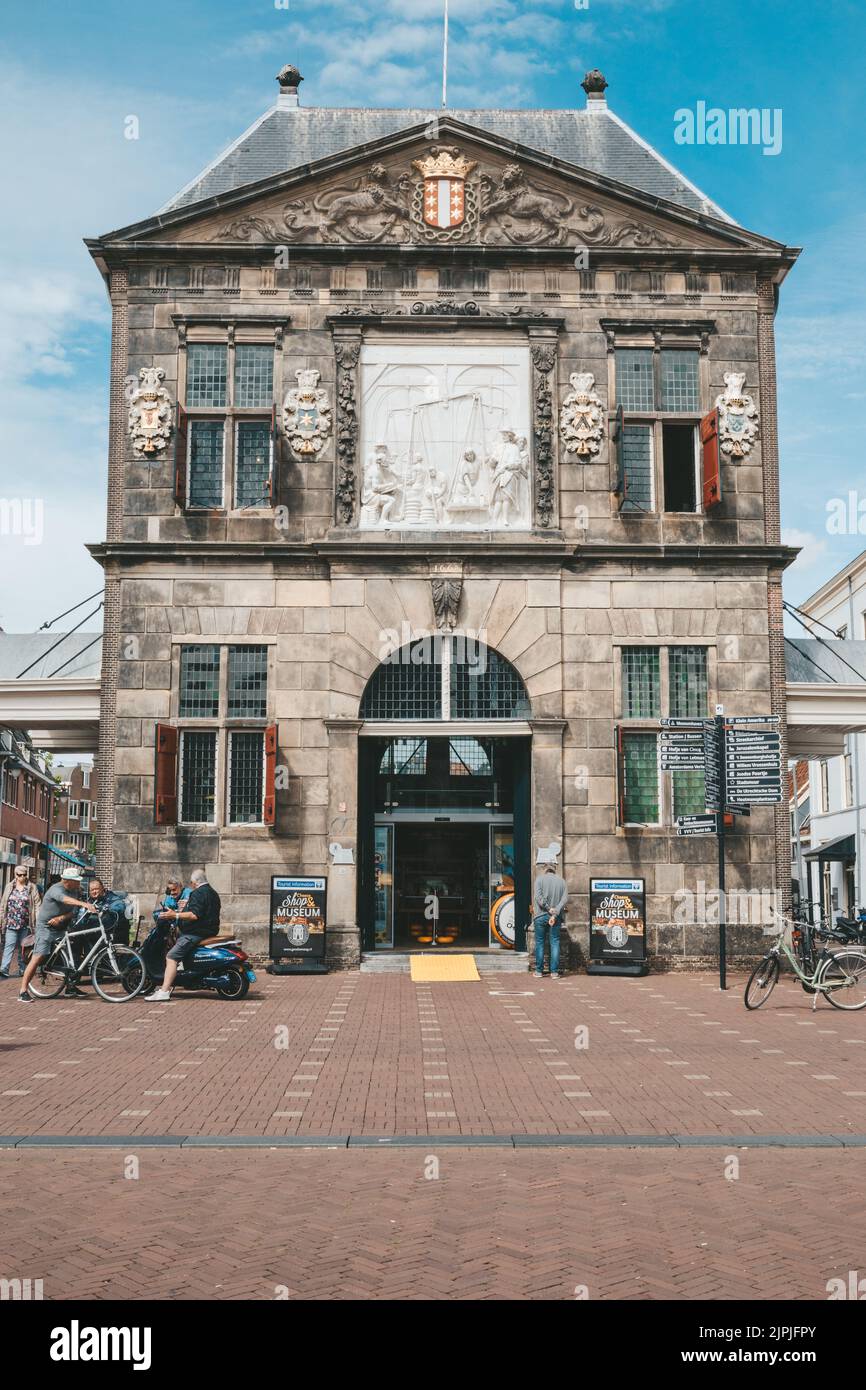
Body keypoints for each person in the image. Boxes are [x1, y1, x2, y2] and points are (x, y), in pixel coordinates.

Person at [18, 868, 98, 1003]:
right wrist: (84, 903)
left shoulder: (74, 890)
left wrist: (61, 917)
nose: (79, 883)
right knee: (39, 956)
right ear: (68, 881)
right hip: (46, 927)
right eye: (76, 881)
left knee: (70, 958)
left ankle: (70, 987)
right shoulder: (56, 889)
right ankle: (23, 991)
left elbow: (73, 911)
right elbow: (65, 900)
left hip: (62, 926)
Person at [146, 869, 221, 1002]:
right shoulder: (213, 892)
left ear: (194, 882)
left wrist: (175, 915)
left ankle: (164, 991)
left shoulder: (198, 893)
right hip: (210, 930)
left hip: (196, 932)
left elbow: (194, 914)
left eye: (191, 882)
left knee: (171, 956)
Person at [0, 866, 41, 980]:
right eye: (19, 875)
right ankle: (4, 969)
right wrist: (1, 919)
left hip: (26, 923)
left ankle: (23, 968)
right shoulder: (9, 886)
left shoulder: (32, 887)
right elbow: (3, 905)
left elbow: (37, 905)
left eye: (24, 874)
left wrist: (38, 921)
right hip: (11, 922)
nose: (22, 877)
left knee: (24, 947)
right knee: (9, 946)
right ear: (15, 874)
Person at [532, 861, 568, 980]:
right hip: (555, 917)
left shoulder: (539, 880)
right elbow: (564, 899)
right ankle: (554, 972)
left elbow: (538, 898)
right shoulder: (562, 882)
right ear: (554, 870)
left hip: (541, 915)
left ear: (545, 870)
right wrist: (555, 911)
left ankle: (539, 971)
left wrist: (548, 908)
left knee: (540, 942)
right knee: (555, 942)